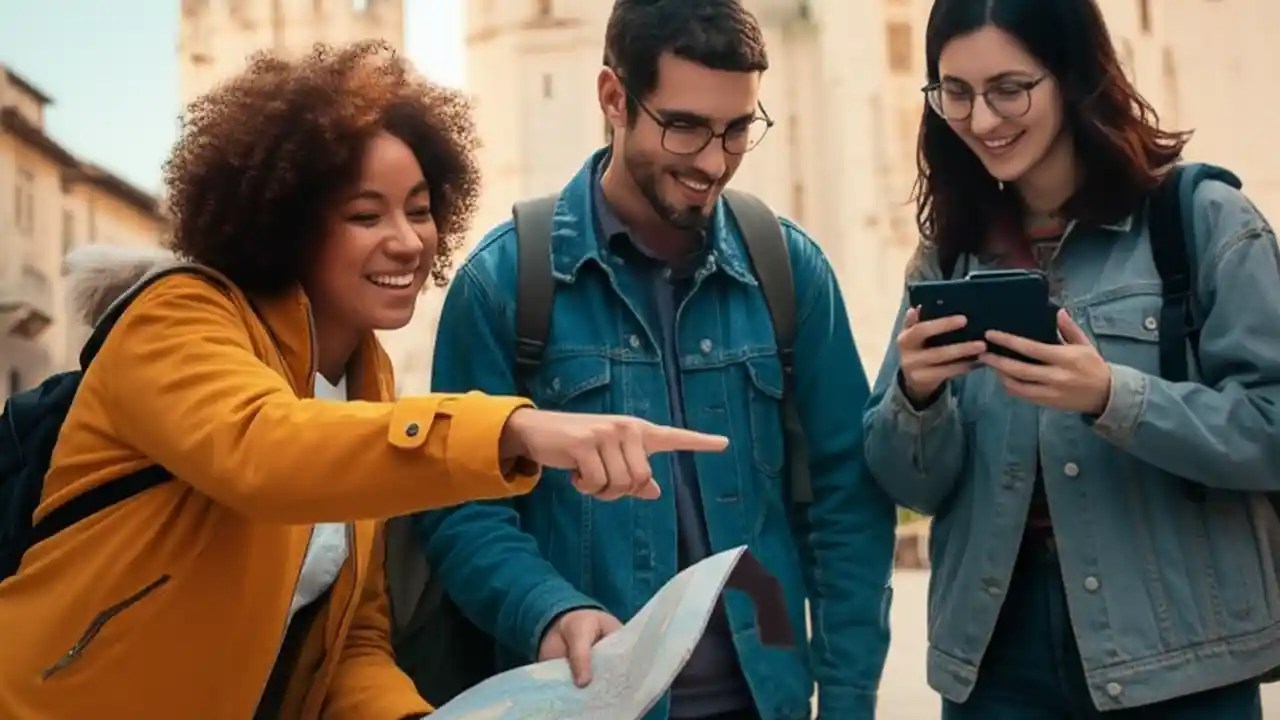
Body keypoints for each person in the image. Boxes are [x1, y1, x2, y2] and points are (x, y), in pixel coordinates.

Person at [0, 41, 729, 720]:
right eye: (363, 214)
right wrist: (515, 427)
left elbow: (347, 643)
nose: (408, 241)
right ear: (286, 225)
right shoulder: (175, 319)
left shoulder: (364, 387)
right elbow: (267, 453)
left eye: (420, 210)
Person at [413, 2, 897, 719]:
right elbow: (461, 511)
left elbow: (846, 500)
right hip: (582, 707)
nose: (714, 161)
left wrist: (851, 700)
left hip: (768, 704)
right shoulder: (503, 284)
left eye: (738, 130)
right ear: (613, 97)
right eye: (686, 127)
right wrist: (550, 611)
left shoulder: (789, 270)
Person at [862, 0, 1280, 717]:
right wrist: (917, 400)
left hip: (1178, 659)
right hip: (994, 658)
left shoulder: (1203, 220)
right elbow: (913, 486)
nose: (982, 119)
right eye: (955, 92)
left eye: (1009, 88)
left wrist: (1114, 397)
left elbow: (1271, 428)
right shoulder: (947, 255)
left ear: (1073, 75)